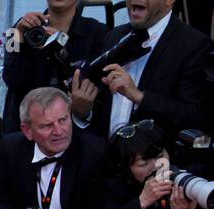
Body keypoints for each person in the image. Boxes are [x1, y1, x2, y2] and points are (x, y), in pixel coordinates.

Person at [72, 0, 212, 143]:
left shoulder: (194, 45)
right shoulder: (114, 36)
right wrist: (83, 112)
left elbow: (196, 118)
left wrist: (139, 97)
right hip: (106, 160)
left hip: (158, 161)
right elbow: (100, 111)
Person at [2, 0, 108, 134]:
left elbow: (95, 88)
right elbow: (10, 79)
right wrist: (19, 37)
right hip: (25, 133)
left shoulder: (98, 32)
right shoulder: (18, 27)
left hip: (71, 135)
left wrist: (63, 48)